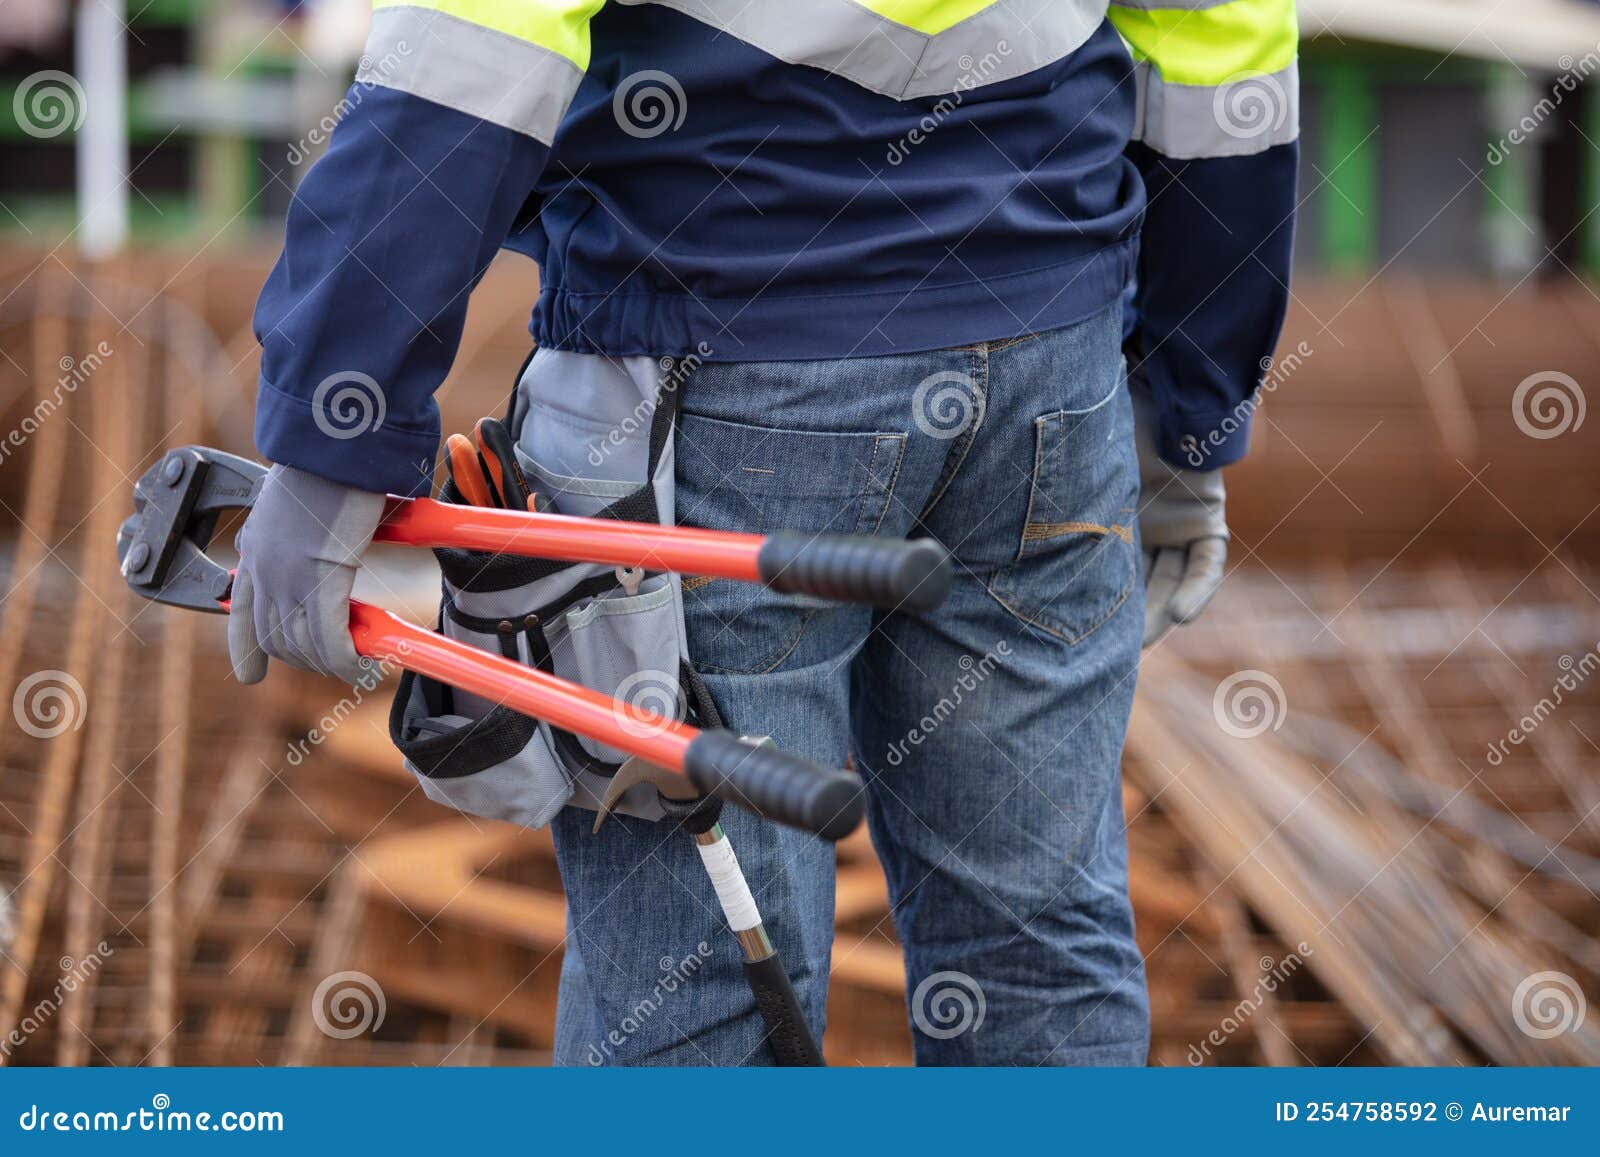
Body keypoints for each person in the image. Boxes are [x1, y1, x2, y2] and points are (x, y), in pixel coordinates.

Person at [231, 0, 1298, 1064]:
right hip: (1047, 369)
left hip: (715, 366)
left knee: (699, 981)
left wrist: (335, 428)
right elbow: (1221, 37)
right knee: (1037, 955)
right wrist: (1188, 408)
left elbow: (471, 53)